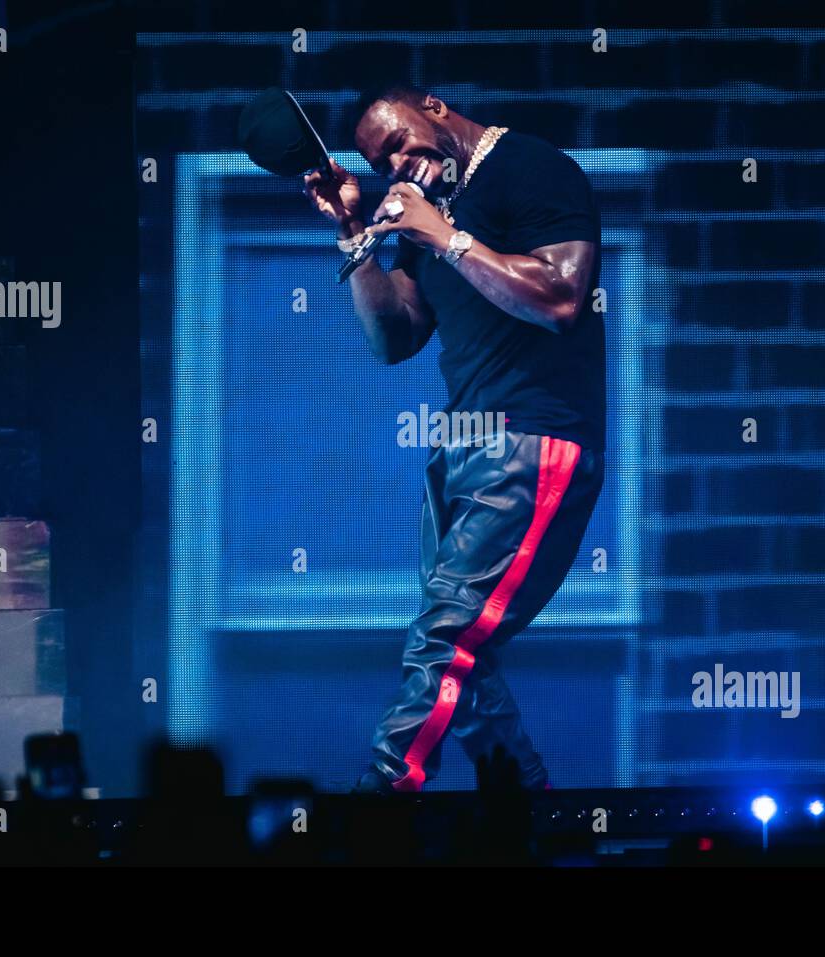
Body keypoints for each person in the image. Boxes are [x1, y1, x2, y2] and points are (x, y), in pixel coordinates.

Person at [304, 84, 606, 792]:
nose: (399, 164)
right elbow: (394, 338)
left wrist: (443, 234)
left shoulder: (532, 168)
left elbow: (562, 298)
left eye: (402, 142)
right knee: (467, 659)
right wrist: (356, 237)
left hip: (534, 441)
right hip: (460, 450)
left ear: (433, 108)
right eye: (383, 164)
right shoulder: (421, 211)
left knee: (443, 642)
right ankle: (529, 810)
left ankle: (378, 804)